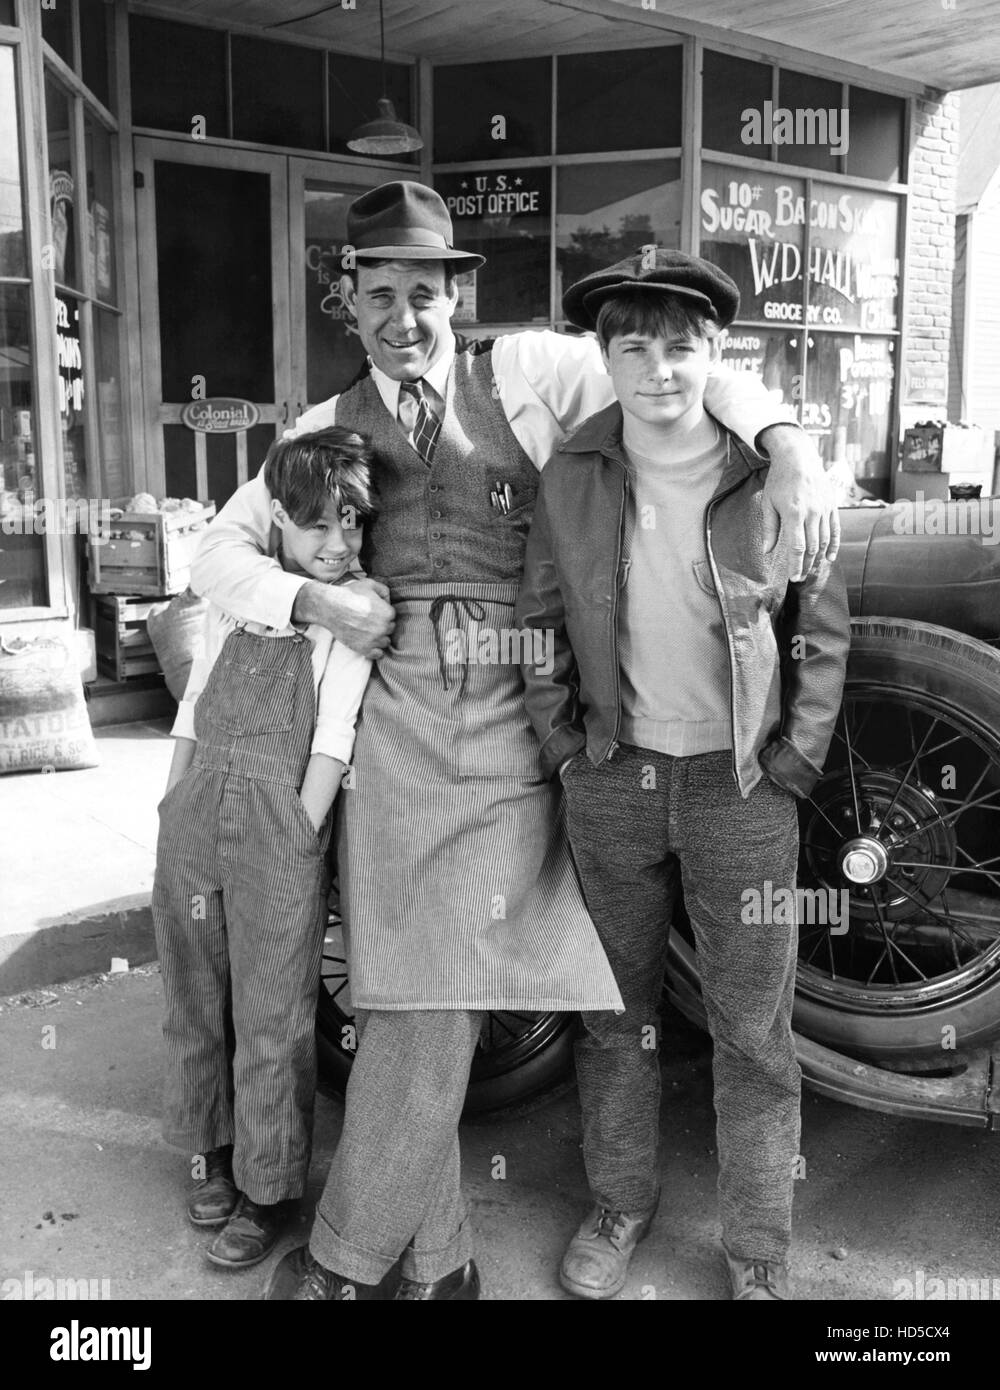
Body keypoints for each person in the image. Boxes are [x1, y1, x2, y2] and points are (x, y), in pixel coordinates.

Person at [187, 181, 841, 1302]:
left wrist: (787, 442)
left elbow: (676, 369)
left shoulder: (531, 370)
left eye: (423, 293)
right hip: (389, 715)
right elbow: (217, 557)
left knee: (441, 980)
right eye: (379, 293)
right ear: (349, 301)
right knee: (402, 982)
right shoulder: (317, 428)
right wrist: (317, 604)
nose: (403, 317)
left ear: (457, 295)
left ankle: (349, 1258)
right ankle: (439, 1264)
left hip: (520, 711)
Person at [516, 249, 850, 1301]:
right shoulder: (574, 469)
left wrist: (791, 761)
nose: (658, 369)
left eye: (681, 346)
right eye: (634, 346)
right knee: (613, 1016)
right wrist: (563, 749)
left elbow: (820, 626)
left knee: (753, 1033)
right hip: (613, 777)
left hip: (737, 788)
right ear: (604, 357)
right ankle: (618, 1205)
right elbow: (536, 622)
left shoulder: (766, 471)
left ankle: (756, 1255)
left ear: (716, 355)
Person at [152, 427, 377, 1270]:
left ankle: (267, 1187)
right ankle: (206, 1149)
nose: (338, 544)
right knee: (194, 987)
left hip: (281, 826)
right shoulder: (238, 595)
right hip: (196, 809)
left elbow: (335, 735)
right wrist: (174, 803)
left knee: (276, 1016)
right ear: (276, 519)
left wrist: (300, 830)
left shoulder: (348, 617)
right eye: (317, 525)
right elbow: (194, 701)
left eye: (352, 524)